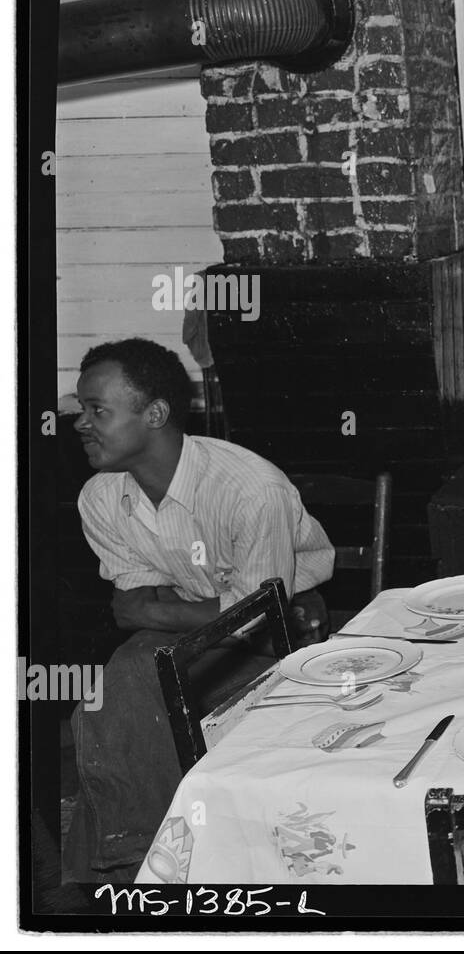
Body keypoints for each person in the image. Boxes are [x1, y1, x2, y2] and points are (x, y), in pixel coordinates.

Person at [63, 338, 335, 882]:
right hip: (205, 615)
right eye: (81, 408)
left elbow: (257, 617)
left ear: (155, 414)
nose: (80, 423)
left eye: (97, 410)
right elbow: (133, 603)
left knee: (147, 688)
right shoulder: (100, 497)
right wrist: (188, 610)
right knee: (106, 700)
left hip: (287, 630)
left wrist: (165, 612)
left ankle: (156, 861)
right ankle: (146, 856)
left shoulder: (249, 488)